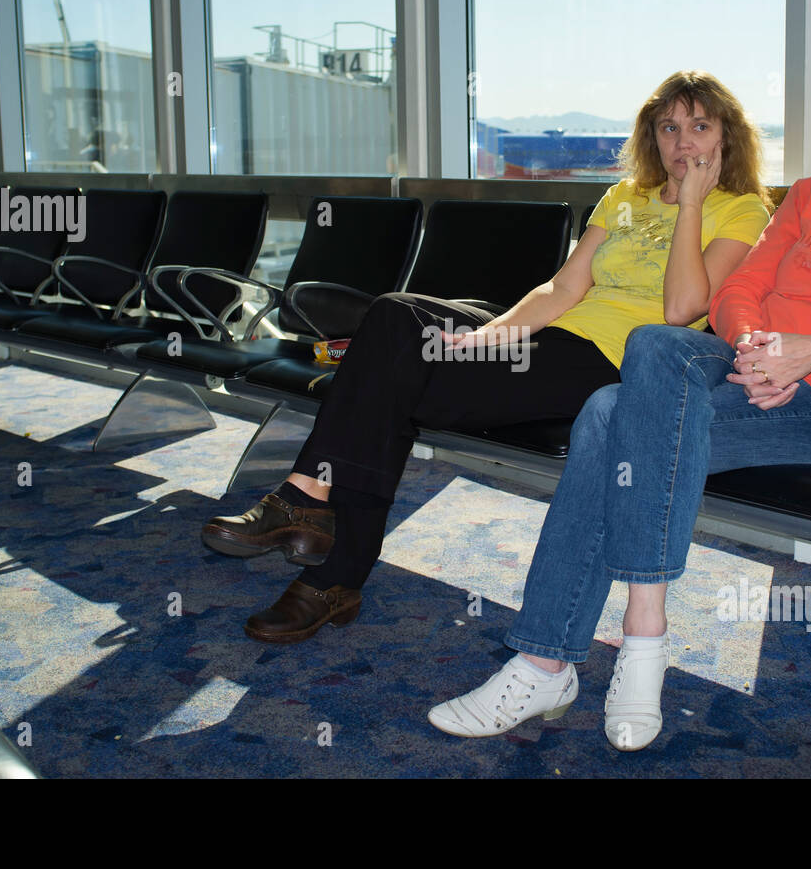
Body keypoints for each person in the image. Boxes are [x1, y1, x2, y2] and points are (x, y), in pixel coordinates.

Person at [428, 48, 811, 751]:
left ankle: (575, 652)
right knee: (657, 343)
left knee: (608, 415)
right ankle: (624, 647)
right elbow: (737, 291)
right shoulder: (810, 197)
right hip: (743, 367)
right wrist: (755, 346)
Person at [201, 71, 774, 643]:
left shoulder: (743, 210)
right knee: (394, 315)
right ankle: (317, 521)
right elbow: (563, 288)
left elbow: (681, 309)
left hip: (610, 361)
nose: (683, 142)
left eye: (700, 126)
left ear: (728, 136)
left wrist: (692, 205)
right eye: (669, 127)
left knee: (383, 391)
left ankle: (324, 549)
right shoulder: (626, 196)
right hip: (547, 339)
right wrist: (490, 336)